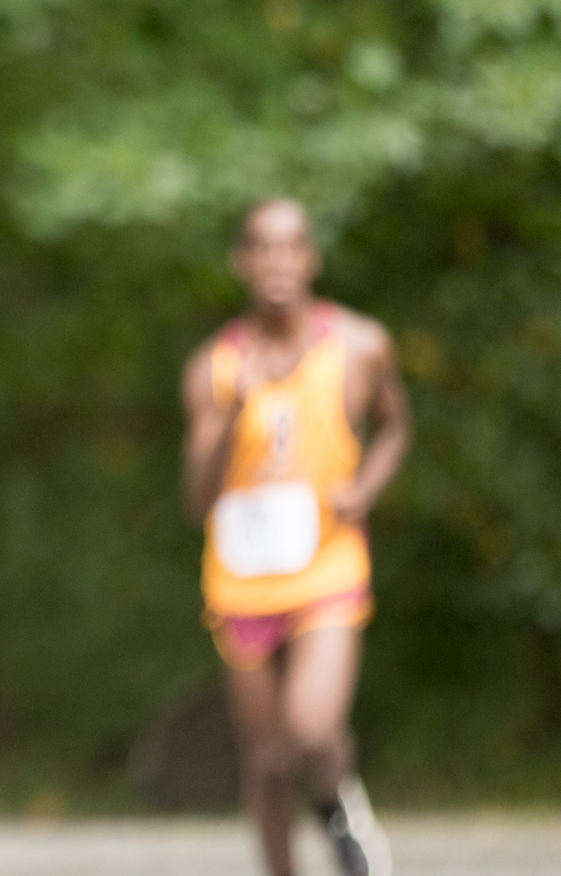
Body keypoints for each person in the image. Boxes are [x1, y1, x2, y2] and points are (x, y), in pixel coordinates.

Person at [182, 199, 411, 876]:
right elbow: (196, 498)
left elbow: (396, 426)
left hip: (326, 569)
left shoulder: (361, 345)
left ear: (311, 258)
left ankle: (340, 801)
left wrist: (364, 487)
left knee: (311, 731)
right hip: (242, 579)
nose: (277, 262)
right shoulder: (212, 368)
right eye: (262, 248)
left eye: (292, 247)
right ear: (242, 261)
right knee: (268, 760)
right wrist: (231, 414)